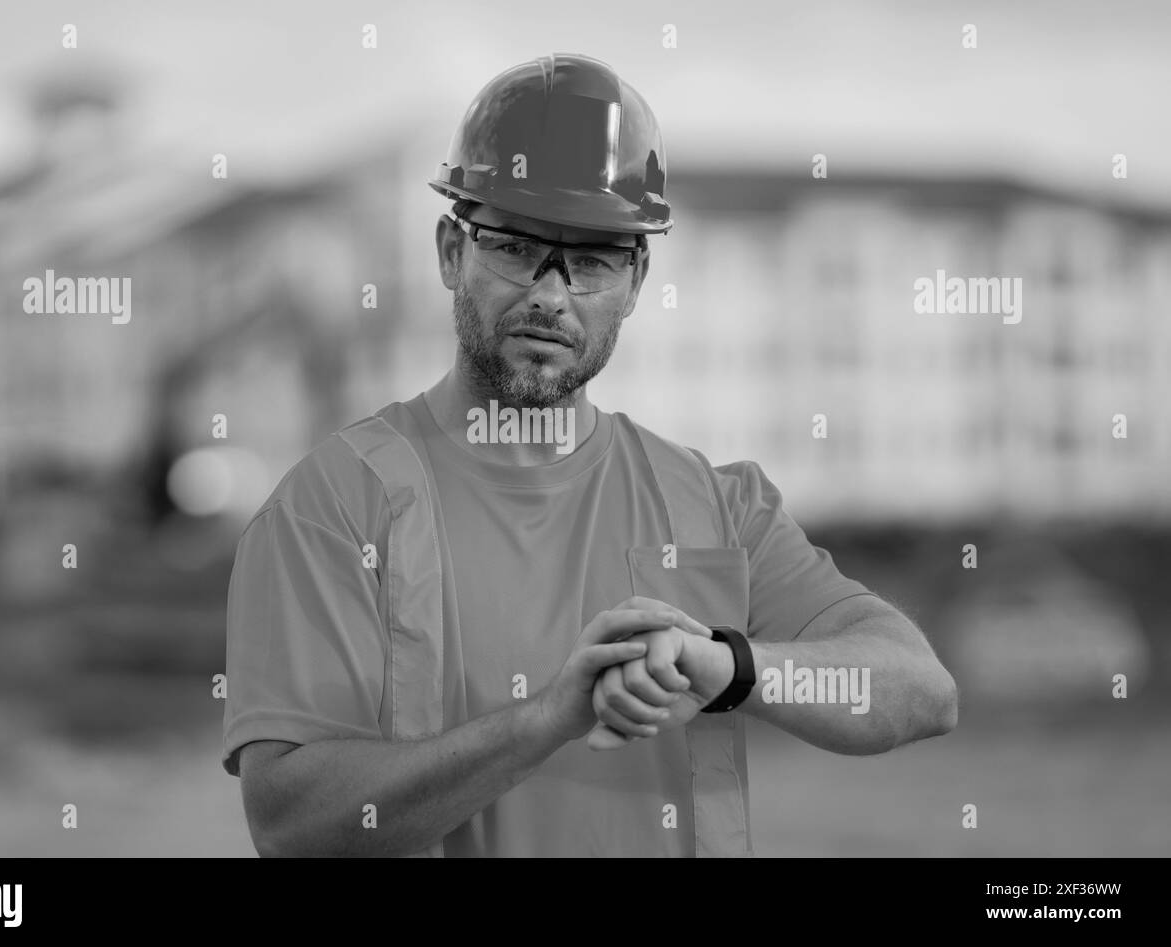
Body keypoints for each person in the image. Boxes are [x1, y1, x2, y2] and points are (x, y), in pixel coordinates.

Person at [221, 52, 958, 857]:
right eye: (512, 244)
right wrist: (547, 719)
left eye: (594, 259)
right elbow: (290, 821)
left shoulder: (713, 505)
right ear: (448, 251)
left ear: (636, 283)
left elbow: (919, 689)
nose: (550, 291)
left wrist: (733, 667)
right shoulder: (333, 506)